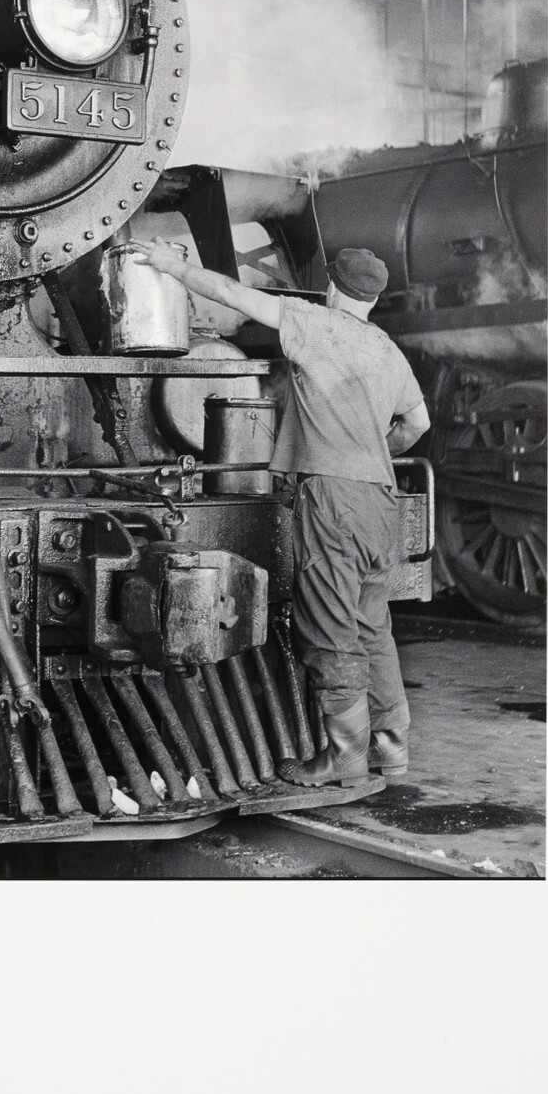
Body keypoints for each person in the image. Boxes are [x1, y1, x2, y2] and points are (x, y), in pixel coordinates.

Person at [129, 239, 430, 796]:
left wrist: (176, 266)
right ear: (374, 299)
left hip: (333, 501)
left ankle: (344, 757)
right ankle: (391, 746)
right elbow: (418, 422)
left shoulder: (315, 322)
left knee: (329, 626)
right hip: (380, 499)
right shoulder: (385, 347)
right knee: (372, 623)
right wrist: (368, 450)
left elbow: (232, 294)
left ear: (334, 287)